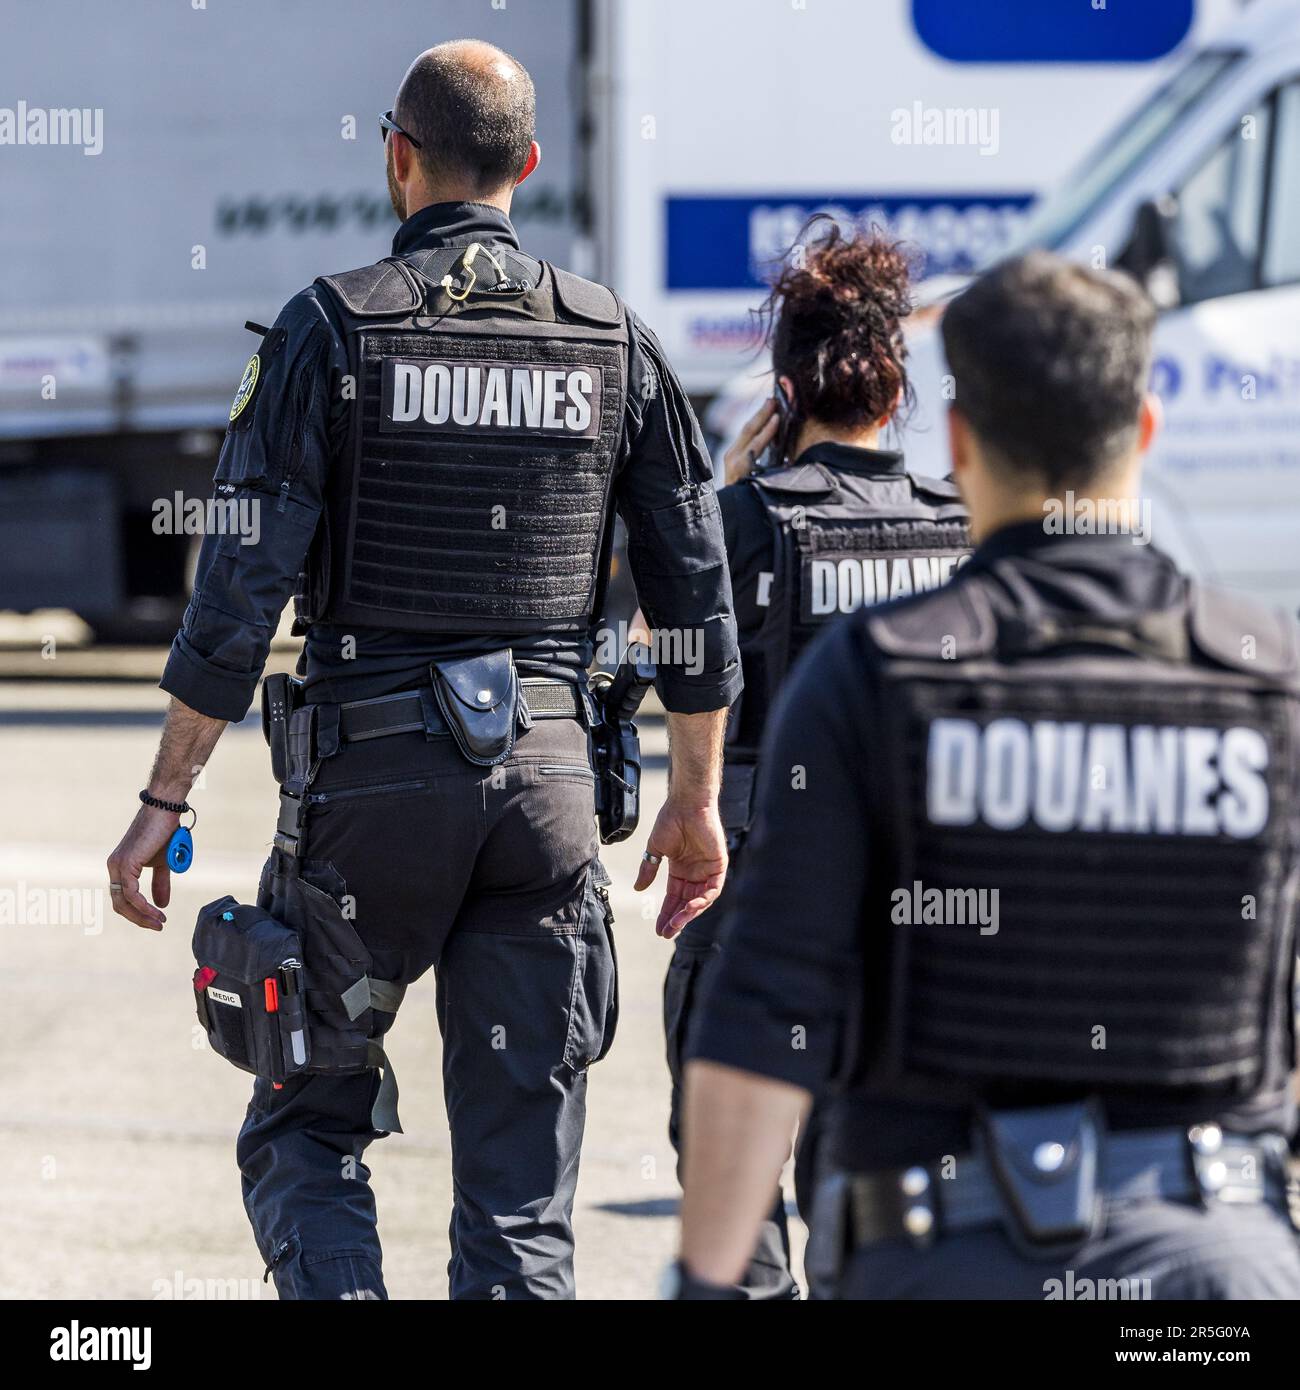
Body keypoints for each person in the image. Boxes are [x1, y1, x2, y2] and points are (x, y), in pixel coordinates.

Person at [105, 39, 740, 1301]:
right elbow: (698, 598)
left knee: (307, 1116)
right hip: (551, 797)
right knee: (520, 1194)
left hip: (371, 794)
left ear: (398, 156)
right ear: (531, 166)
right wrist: (693, 796)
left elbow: (238, 591)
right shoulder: (614, 343)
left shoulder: (329, 328)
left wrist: (165, 799)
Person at [674, 251, 1300, 1300]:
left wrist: (702, 1282)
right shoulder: (1265, 676)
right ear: (1143, 427)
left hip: (946, 1261)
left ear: (958, 444)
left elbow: (766, 1013)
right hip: (1213, 1280)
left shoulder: (874, 676)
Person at [658, 225, 969, 1298]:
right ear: (897, 385)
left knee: (732, 1203)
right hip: (919, 924)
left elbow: (669, 672)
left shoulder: (739, 520)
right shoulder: (961, 532)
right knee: (879, 1200)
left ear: (784, 385)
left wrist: (740, 483)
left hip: (755, 904)